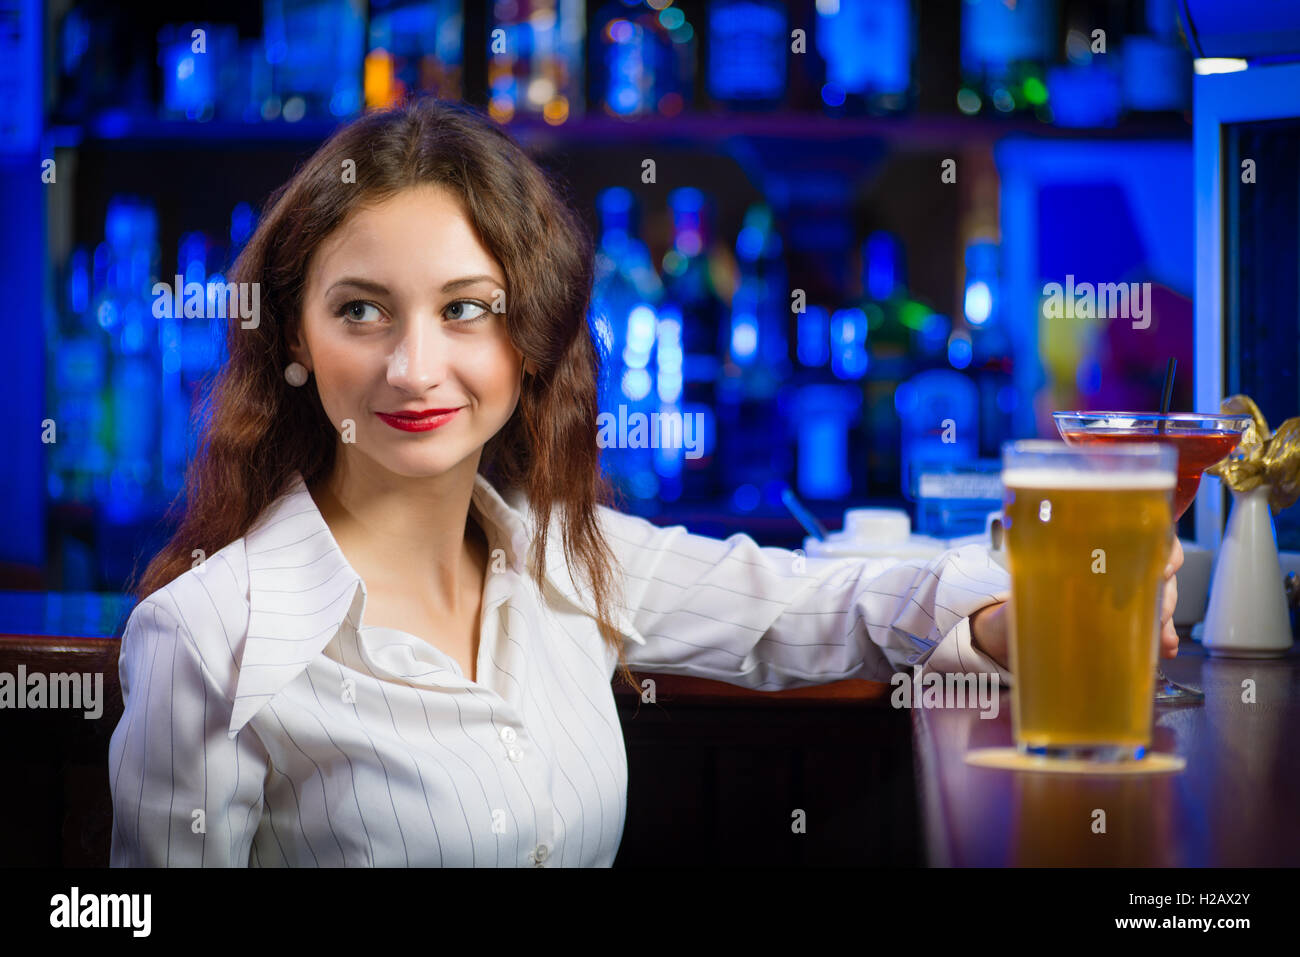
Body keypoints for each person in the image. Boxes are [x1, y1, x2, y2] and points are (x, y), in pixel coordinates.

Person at [107, 96, 1182, 868]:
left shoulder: (572, 561)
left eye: (465, 308)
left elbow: (820, 602)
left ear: (526, 343)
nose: (413, 366)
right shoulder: (207, 640)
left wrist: (1018, 608)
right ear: (291, 339)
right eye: (359, 310)